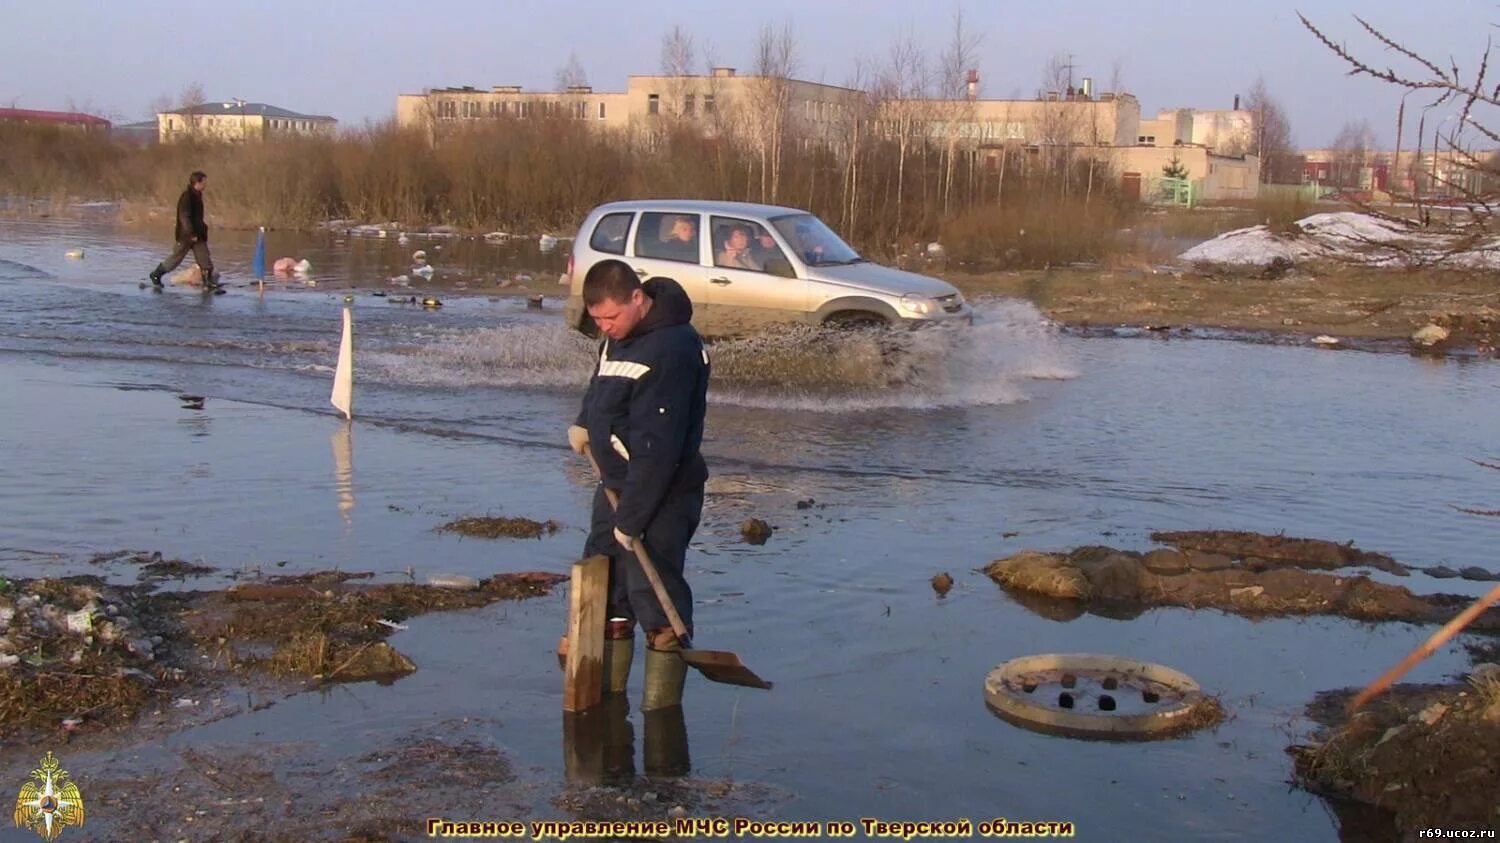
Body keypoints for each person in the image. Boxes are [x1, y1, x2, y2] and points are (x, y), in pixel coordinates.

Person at [567, 259, 710, 711]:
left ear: (637, 297)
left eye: (612, 317)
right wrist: (584, 422)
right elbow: (602, 383)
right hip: (614, 486)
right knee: (608, 592)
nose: (606, 328)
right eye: (598, 320)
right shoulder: (616, 338)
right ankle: (607, 704)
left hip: (662, 493)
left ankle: (662, 722)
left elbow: (658, 450)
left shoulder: (672, 349)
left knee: (656, 599)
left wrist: (630, 521)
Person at [149, 171, 217, 289]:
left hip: (199, 234)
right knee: (176, 258)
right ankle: (156, 275)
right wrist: (191, 233)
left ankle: (208, 282)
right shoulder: (187, 197)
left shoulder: (197, 195)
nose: (206, 184)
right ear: (198, 182)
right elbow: (184, 217)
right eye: (204, 182)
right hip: (186, 235)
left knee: (204, 256)